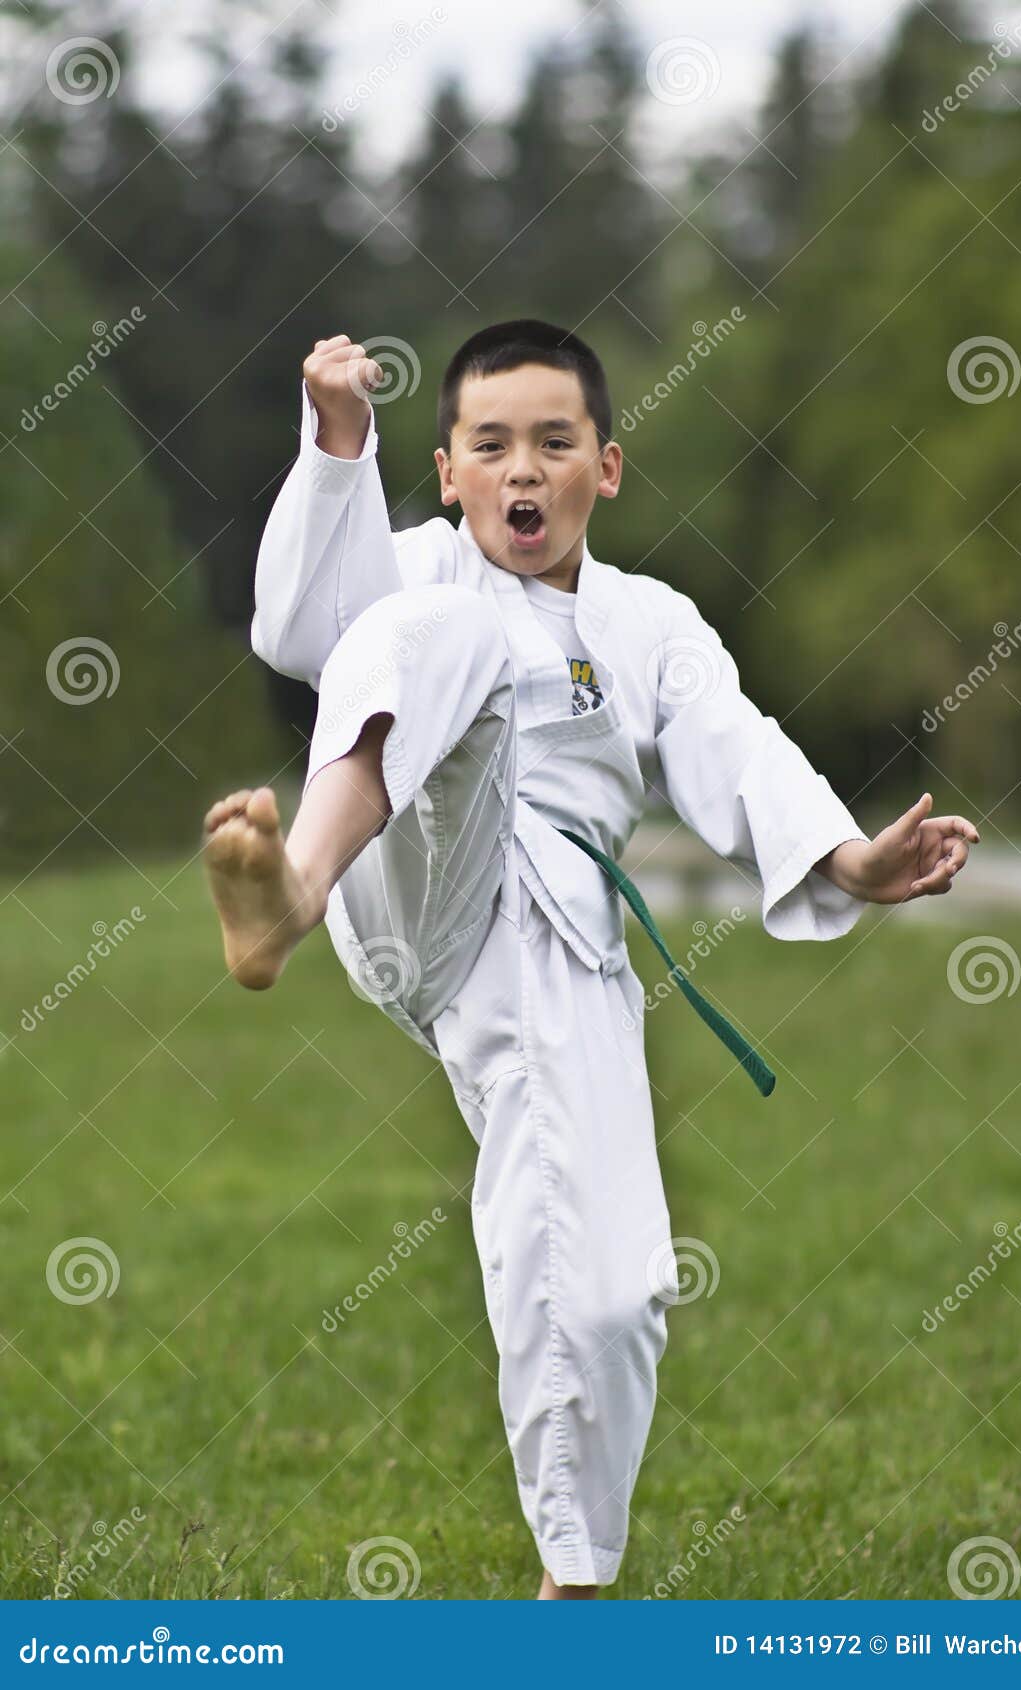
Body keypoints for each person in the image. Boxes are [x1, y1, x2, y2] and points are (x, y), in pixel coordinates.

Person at [203, 320, 980, 1599]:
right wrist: (339, 442)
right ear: (446, 471)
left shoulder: (650, 622)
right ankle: (283, 895)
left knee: (614, 1288)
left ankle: (574, 1587)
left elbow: (734, 743)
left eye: (553, 444)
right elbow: (299, 631)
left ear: (603, 469)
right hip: (396, 872)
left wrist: (846, 860)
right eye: (490, 446)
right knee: (441, 634)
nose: (523, 471)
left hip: (550, 936)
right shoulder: (412, 572)